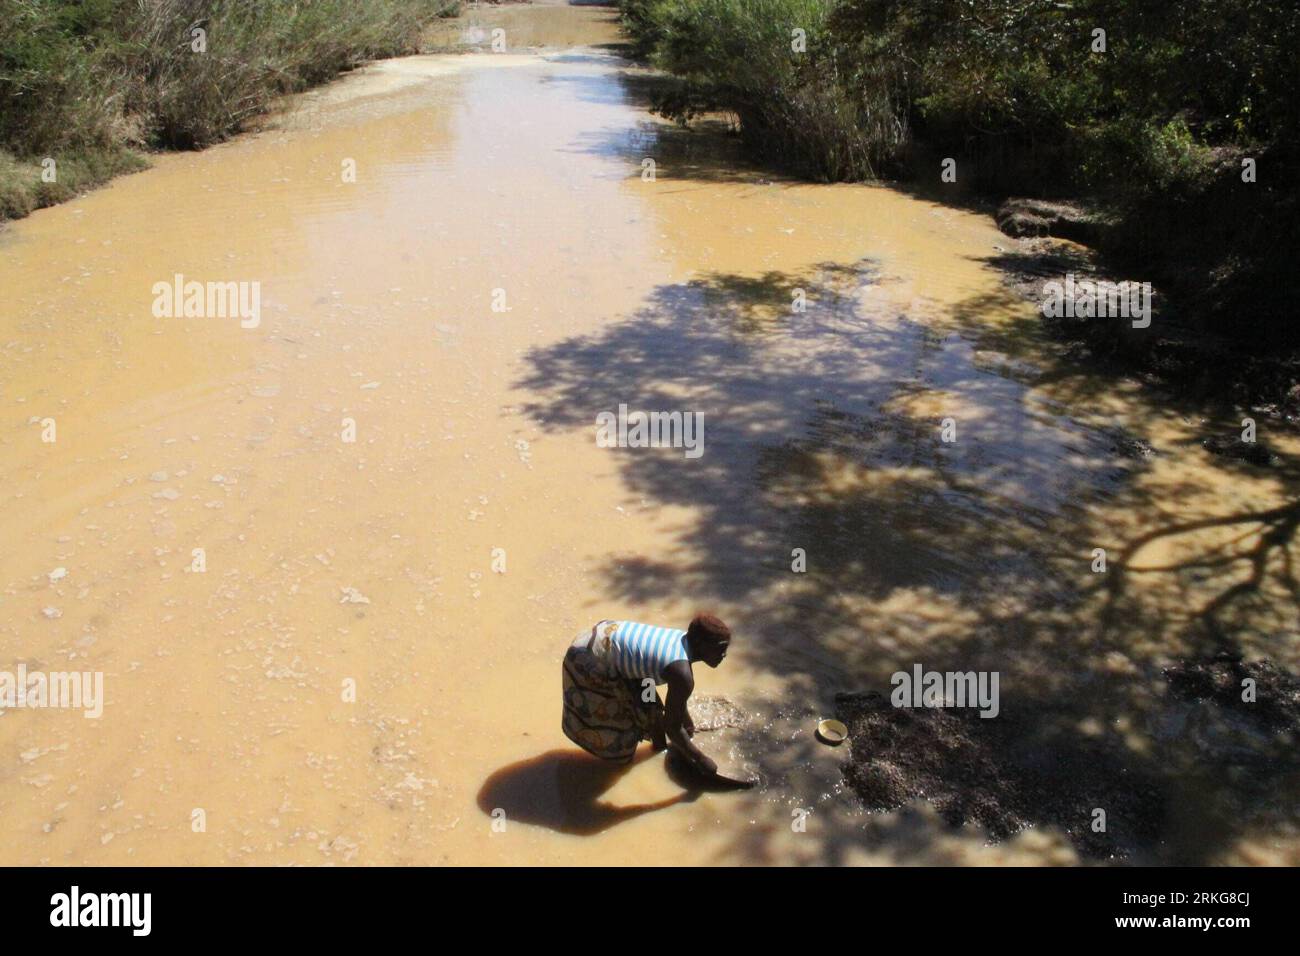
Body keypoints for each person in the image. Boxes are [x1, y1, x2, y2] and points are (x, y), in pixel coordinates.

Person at [561, 613, 731, 777]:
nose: (724, 654)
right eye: (721, 648)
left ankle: (658, 748)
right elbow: (672, 727)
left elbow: (677, 703)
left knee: (650, 710)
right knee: (622, 722)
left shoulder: (683, 643)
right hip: (590, 658)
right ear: (701, 644)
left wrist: (688, 726)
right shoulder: (681, 672)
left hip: (605, 637)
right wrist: (701, 759)